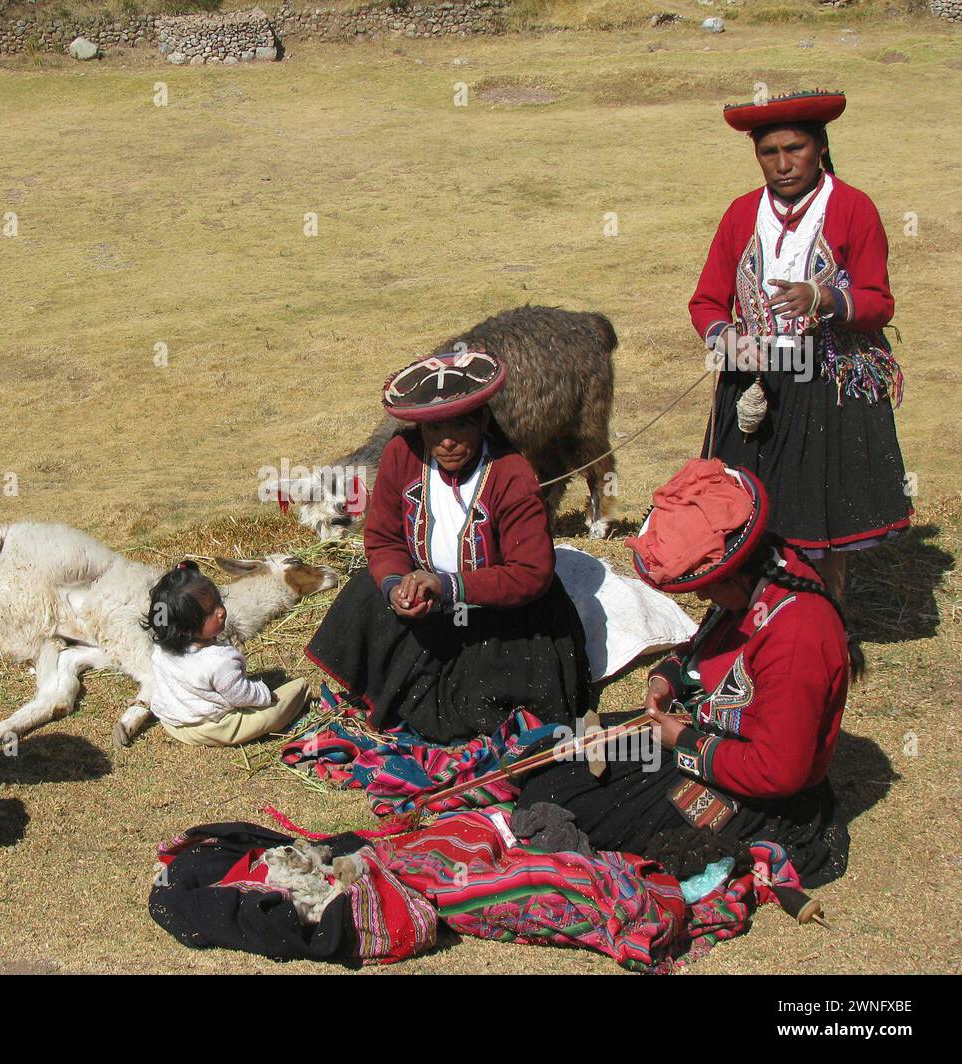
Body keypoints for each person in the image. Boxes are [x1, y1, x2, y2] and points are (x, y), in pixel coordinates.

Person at [512, 459, 851, 886]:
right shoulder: (760, 577)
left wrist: (683, 741)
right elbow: (707, 646)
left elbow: (779, 772)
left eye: (704, 586)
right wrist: (667, 678)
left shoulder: (797, 635)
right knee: (551, 756)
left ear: (734, 570)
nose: (702, 595)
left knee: (568, 802)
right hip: (701, 735)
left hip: (751, 790)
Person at [689, 89, 910, 603]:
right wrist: (726, 337)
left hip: (826, 379)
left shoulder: (853, 208)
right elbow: (706, 301)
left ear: (821, 148)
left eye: (796, 149)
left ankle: (823, 612)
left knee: (819, 506)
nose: (783, 164)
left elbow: (878, 302)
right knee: (748, 501)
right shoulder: (742, 214)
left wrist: (825, 296)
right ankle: (753, 604)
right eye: (770, 153)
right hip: (755, 379)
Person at [305, 349, 591, 744]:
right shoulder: (401, 456)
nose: (447, 442)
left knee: (491, 695)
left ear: (483, 420)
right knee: (364, 592)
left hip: (501, 610)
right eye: (434, 430)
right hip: (426, 596)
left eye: (460, 426)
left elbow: (531, 572)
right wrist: (396, 586)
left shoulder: (511, 475)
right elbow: (384, 538)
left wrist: (447, 586)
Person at [123, 560, 311, 748]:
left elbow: (159, 616)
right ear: (187, 627)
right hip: (208, 728)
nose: (220, 612)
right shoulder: (219, 660)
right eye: (209, 612)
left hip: (172, 720)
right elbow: (241, 695)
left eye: (219, 601)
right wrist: (265, 694)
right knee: (297, 690)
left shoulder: (161, 649)